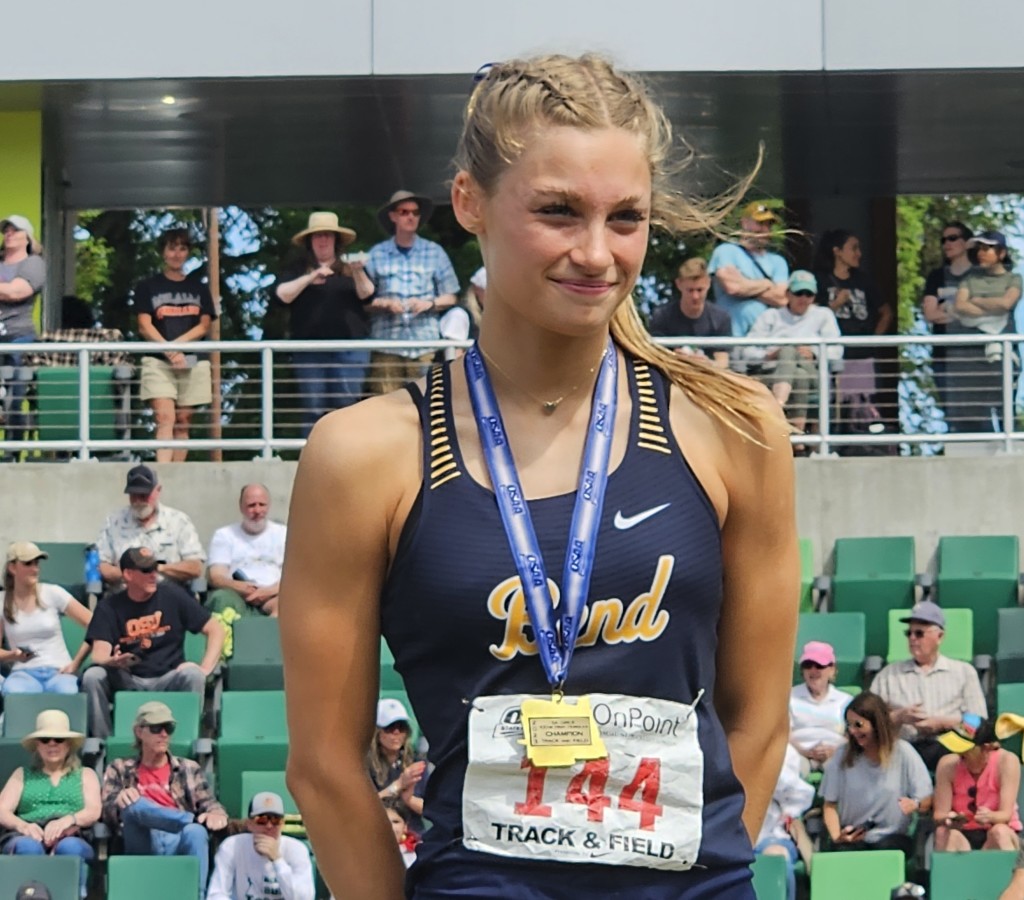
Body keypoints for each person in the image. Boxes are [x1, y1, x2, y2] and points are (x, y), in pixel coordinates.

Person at [281, 53, 798, 899]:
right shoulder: (365, 453)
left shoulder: (736, 427)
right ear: (469, 202)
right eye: (558, 211)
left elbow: (760, 720)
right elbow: (326, 768)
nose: (597, 253)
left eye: (626, 217)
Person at [81, 547, 223, 738]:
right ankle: (102, 743)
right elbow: (98, 653)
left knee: (193, 674)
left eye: (155, 569)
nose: (153, 575)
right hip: (128, 678)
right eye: (147, 571)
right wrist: (112, 661)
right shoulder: (109, 606)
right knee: (93, 675)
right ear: (128, 574)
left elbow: (215, 629)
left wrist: (205, 668)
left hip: (168, 676)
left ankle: (187, 742)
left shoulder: (173, 595)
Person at [101, 701, 227, 898]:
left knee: (196, 831)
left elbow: (209, 803)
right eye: (156, 728)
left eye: (168, 728)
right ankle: (186, 818)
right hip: (141, 837)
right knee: (133, 803)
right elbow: (107, 811)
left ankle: (197, 895)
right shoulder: (119, 767)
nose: (164, 734)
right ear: (139, 731)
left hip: (179, 837)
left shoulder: (188, 768)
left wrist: (217, 814)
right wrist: (118, 800)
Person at [275, 212, 375, 437]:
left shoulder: (350, 267)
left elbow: (368, 294)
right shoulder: (298, 268)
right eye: (318, 236)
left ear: (335, 240)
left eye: (328, 236)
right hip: (309, 350)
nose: (323, 240)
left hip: (350, 349)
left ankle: (349, 460)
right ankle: (313, 463)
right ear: (310, 241)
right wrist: (311, 278)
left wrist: (358, 271)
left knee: (348, 406)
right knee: (313, 408)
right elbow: (282, 295)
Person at [870, 600, 988, 770]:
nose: (912, 639)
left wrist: (943, 722)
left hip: (948, 746)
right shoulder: (888, 675)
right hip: (904, 748)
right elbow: (869, 720)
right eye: (908, 633)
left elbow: (979, 722)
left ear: (939, 636)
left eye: (919, 633)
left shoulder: (963, 672)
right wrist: (900, 716)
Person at [363, 190, 461, 395]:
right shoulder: (376, 254)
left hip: (425, 345)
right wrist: (384, 304)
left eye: (415, 213)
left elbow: (451, 295)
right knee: (386, 407)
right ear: (393, 216)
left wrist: (429, 304)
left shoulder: (435, 252)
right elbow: (363, 300)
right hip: (386, 345)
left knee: (426, 405)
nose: (410, 216)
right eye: (404, 211)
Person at [133, 227, 216, 463]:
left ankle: (178, 472)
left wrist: (177, 346)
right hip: (158, 360)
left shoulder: (199, 288)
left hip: (191, 358)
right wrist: (169, 350)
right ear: (163, 252)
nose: (177, 254)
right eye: (172, 248)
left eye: (182, 248)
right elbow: (144, 324)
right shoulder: (148, 287)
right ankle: (163, 473)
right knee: (164, 417)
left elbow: (204, 325)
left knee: (183, 421)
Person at [0, 710, 100, 899]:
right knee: (28, 848)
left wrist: (68, 821)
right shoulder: (22, 774)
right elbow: (2, 810)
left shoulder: (85, 774)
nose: (52, 744)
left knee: (71, 848)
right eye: (45, 740)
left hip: (72, 834)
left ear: (68, 744)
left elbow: (94, 811)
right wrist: (23, 826)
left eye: (58, 739)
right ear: (37, 745)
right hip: (28, 833)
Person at [820, 691, 932, 854]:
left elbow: (926, 799)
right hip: (855, 837)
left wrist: (914, 804)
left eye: (858, 725)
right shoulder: (841, 755)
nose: (852, 731)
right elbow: (829, 805)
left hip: (893, 838)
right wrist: (839, 837)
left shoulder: (904, 752)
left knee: (886, 851)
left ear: (876, 724)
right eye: (849, 725)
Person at [741, 270, 842, 439]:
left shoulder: (823, 315)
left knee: (790, 351)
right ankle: (798, 437)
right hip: (773, 372)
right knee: (795, 367)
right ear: (788, 294)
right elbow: (747, 351)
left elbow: (837, 350)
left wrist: (814, 353)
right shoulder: (770, 316)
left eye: (808, 294)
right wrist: (770, 354)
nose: (803, 298)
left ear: (814, 296)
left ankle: (779, 403)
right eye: (798, 293)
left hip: (813, 372)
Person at [813, 229, 894, 430]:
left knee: (863, 405)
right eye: (853, 248)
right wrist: (836, 304)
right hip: (833, 355)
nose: (859, 253)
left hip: (862, 354)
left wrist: (874, 340)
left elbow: (886, 312)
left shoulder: (864, 280)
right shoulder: (819, 280)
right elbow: (810, 318)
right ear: (837, 251)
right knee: (834, 404)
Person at [944, 231, 1022, 432]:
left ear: (1001, 253)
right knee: (977, 408)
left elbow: (1007, 303)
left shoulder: (1014, 278)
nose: (981, 253)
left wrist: (977, 301)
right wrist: (991, 306)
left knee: (1005, 403)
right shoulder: (970, 279)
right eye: (979, 249)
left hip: (1004, 355)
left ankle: (1011, 443)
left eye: (987, 248)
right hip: (973, 355)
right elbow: (960, 306)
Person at [0, 542, 91, 694]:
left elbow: (96, 624)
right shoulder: (2, 601)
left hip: (59, 670)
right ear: (13, 568)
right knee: (14, 692)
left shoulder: (53, 593)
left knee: (68, 691)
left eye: (36, 563)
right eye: (28, 564)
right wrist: (13, 655)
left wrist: (76, 663)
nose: (35, 569)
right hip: (23, 673)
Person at [95, 464, 205, 589]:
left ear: (158, 490)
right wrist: (135, 574)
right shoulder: (113, 522)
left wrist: (156, 567)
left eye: (143, 495)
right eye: (133, 495)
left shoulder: (178, 521)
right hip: (126, 594)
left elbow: (195, 567)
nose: (138, 501)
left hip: (168, 593)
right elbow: (103, 567)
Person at [932, 714, 1022, 852]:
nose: (960, 753)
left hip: (995, 830)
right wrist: (950, 819)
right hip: (962, 833)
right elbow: (939, 815)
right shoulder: (947, 764)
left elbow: (1005, 815)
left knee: (1000, 832)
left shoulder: (1007, 762)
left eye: (966, 749)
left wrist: (990, 816)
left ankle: (1009, 873)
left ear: (986, 748)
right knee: (943, 833)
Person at [206, 791, 315, 900]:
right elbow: (216, 894)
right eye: (262, 820)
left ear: (282, 824)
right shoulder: (232, 847)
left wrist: (277, 860)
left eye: (275, 820)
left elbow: (305, 898)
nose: (269, 826)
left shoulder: (297, 849)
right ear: (250, 824)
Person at [707, 202, 789, 336]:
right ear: (744, 223)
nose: (765, 230)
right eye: (760, 224)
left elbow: (782, 299)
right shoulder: (725, 251)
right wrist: (767, 284)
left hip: (767, 342)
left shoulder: (778, 261)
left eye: (768, 225)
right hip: (732, 338)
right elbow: (732, 287)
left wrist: (744, 284)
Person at [206, 484, 287, 618]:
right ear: (241, 507)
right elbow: (216, 576)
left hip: (273, 594)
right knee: (221, 600)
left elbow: (294, 577)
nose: (257, 510)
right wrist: (241, 588)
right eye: (251, 505)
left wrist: (267, 591)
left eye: (262, 505)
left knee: (286, 605)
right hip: (236, 594)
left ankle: (269, 638)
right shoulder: (224, 535)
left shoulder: (283, 534)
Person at [0, 215, 47, 445]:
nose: (9, 233)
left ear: (27, 236)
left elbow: (16, 292)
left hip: (19, 337)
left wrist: (6, 289)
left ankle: (12, 451)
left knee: (14, 398)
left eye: (15, 230)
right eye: (6, 230)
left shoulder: (33, 263)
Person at [921, 222, 974, 405]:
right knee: (952, 415)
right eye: (943, 240)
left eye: (952, 238)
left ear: (967, 243)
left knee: (978, 415)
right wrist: (962, 312)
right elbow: (930, 314)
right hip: (944, 356)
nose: (947, 244)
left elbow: (984, 314)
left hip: (975, 356)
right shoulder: (936, 276)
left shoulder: (979, 275)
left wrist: (946, 310)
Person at [753, 744, 815, 899]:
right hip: (728, 837)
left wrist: (761, 766)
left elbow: (800, 794)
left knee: (775, 855)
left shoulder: (783, 751)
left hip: (771, 834)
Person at [648, 257, 733, 368]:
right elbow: (654, 357)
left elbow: (722, 362)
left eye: (699, 290)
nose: (695, 296)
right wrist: (675, 358)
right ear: (679, 284)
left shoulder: (721, 318)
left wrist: (707, 364)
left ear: (708, 284)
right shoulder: (661, 316)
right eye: (690, 290)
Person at [788, 640, 852, 776]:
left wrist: (834, 750)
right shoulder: (789, 697)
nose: (813, 670)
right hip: (798, 752)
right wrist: (804, 751)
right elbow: (783, 734)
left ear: (832, 670)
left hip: (835, 753)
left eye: (819, 665)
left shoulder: (845, 700)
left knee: (841, 769)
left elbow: (852, 734)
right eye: (807, 665)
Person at [368, 698, 426, 829]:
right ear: (377, 732)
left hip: (413, 834)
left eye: (401, 727)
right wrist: (398, 785)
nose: (396, 733)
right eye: (389, 728)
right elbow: (362, 808)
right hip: (378, 831)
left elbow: (431, 809)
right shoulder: (365, 764)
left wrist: (409, 799)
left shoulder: (416, 761)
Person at [27, 295, 131, 367]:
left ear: (60, 317)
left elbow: (34, 385)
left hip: (53, 398)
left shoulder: (44, 341)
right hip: (98, 398)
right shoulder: (108, 338)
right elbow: (122, 375)